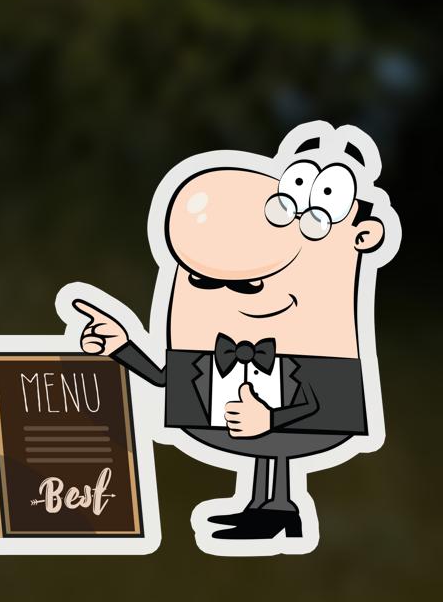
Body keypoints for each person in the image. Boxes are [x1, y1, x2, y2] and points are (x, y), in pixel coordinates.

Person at [72, 121, 399, 551]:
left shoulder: (320, 352)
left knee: (276, 443)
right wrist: (122, 346)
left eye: (247, 284)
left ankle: (279, 508)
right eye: (206, 283)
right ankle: (268, 508)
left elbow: (320, 406)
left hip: (289, 419)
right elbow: (167, 377)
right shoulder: (213, 348)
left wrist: (270, 418)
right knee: (268, 447)